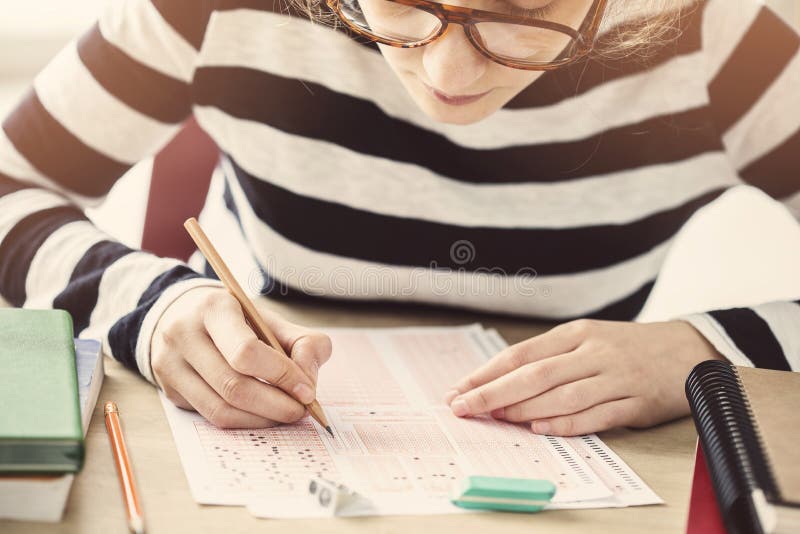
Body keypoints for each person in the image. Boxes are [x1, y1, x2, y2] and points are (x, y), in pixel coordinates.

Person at [0, 0, 797, 435]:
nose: (448, 73)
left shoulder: (718, 36)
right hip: (234, 441)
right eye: (406, 1)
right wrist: (148, 305)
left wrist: (699, 355)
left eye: (523, 9)